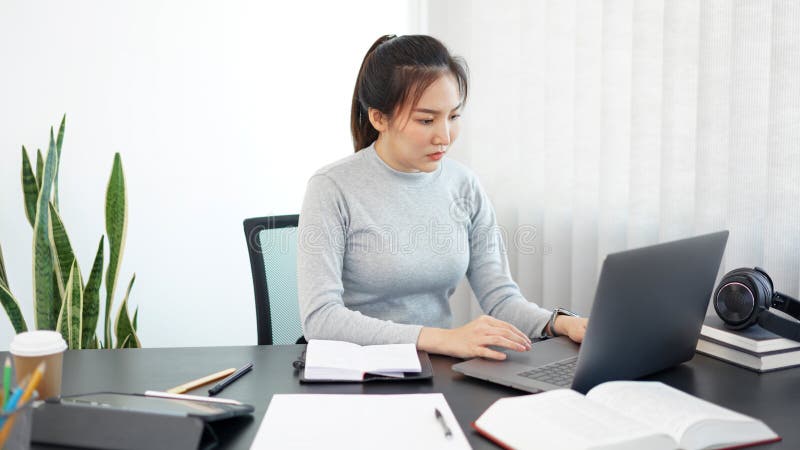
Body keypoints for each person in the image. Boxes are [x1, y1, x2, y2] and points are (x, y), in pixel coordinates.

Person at [297, 34, 588, 360]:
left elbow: (500, 297)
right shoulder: (332, 187)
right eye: (426, 120)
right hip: (354, 370)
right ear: (379, 117)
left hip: (435, 366)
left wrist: (560, 323)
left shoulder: (463, 184)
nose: (445, 136)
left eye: (453, 116)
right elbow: (320, 319)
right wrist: (436, 338)